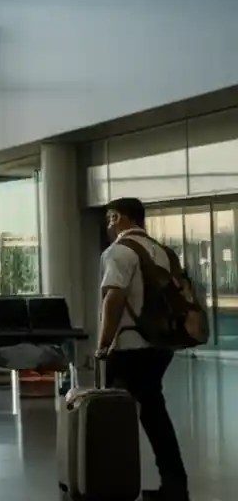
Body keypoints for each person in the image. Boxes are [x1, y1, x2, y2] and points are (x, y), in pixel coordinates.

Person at [97, 197, 189, 501]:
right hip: (161, 344)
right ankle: (174, 484)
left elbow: (114, 298)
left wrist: (103, 344)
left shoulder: (119, 252)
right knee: (154, 414)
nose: (109, 225)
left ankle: (109, 484)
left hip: (129, 346)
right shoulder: (162, 252)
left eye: (111, 218)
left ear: (121, 218)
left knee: (112, 418)